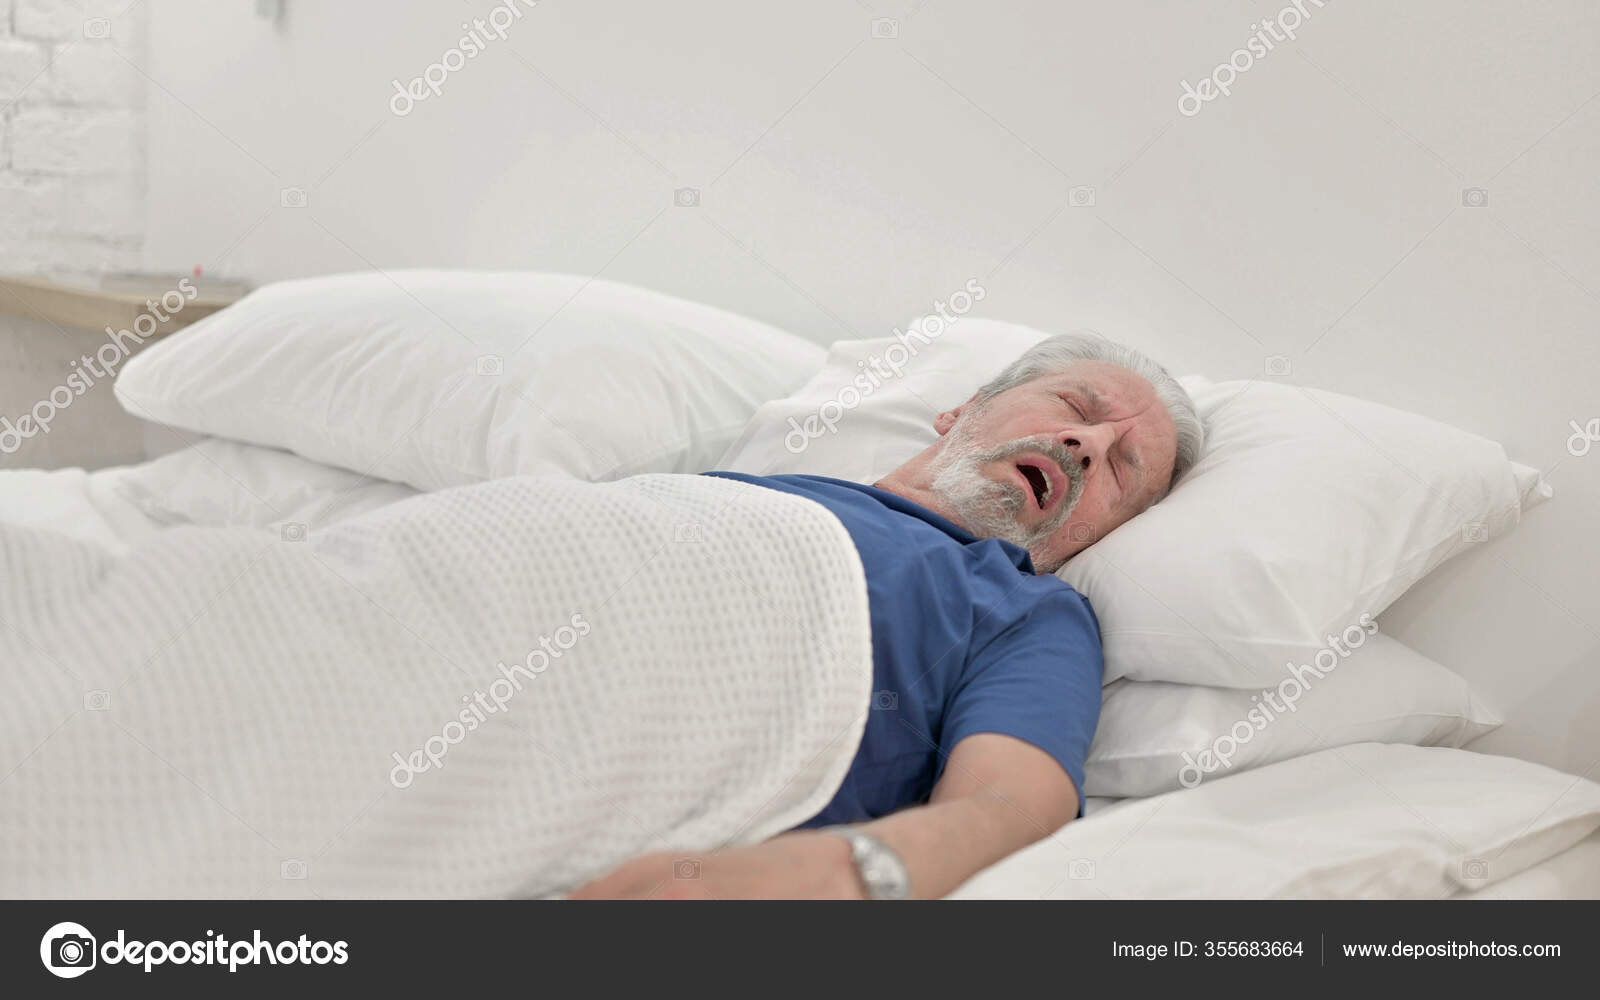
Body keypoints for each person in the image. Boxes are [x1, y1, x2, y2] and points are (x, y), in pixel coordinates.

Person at [571, 333, 1203, 899]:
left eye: (1122, 467)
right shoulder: (738, 487)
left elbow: (1011, 808)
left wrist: (848, 874)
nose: (1089, 444)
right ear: (965, 408)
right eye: (1075, 408)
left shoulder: (1029, 615)